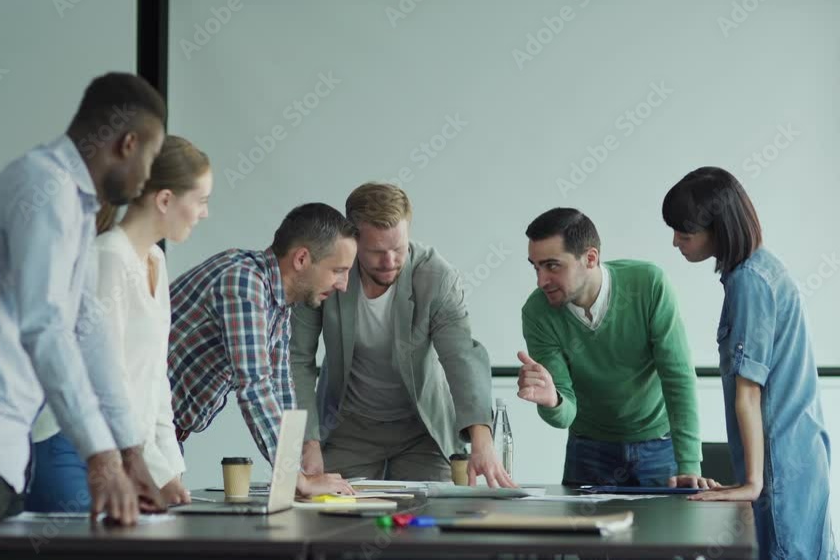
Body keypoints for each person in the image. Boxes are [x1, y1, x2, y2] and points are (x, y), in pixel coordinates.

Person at [0, 72, 168, 527]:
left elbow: (89, 330)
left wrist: (129, 451)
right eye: (151, 158)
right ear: (128, 144)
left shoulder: (75, 205)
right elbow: (46, 325)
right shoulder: (44, 187)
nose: (147, 177)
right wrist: (102, 458)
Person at [26, 135, 212, 511]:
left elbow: (155, 378)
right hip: (75, 450)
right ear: (165, 200)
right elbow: (110, 380)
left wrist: (171, 470)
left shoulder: (156, 259)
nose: (204, 213)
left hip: (124, 453)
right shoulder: (108, 257)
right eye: (201, 200)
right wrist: (152, 468)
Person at [664, 166, 837, 560]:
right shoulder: (763, 268)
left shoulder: (749, 282)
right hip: (797, 460)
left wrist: (752, 484)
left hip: (781, 466)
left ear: (718, 230)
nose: (675, 242)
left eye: (684, 233)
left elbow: (749, 392)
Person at [292, 183, 512, 487]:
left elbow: (460, 355)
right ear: (353, 241)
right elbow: (297, 359)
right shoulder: (326, 272)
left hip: (421, 427)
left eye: (398, 249)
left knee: (435, 511)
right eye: (376, 252)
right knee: (333, 509)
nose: (390, 261)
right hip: (348, 425)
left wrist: (482, 439)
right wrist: (308, 442)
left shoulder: (437, 277)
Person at [167, 203, 357, 496]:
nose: (343, 285)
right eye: (338, 271)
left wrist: (298, 470)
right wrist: (295, 478)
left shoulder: (279, 303)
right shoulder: (244, 282)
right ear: (302, 259)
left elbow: (281, 388)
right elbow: (255, 386)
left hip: (165, 438)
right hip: (137, 434)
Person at [517, 208, 707, 487]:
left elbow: (677, 376)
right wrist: (553, 400)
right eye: (536, 267)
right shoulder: (537, 312)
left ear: (590, 258)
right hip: (589, 449)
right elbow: (565, 413)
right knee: (579, 519)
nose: (541, 280)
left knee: (670, 518)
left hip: (659, 444)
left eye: (552, 266)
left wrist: (689, 464)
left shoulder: (648, 284)